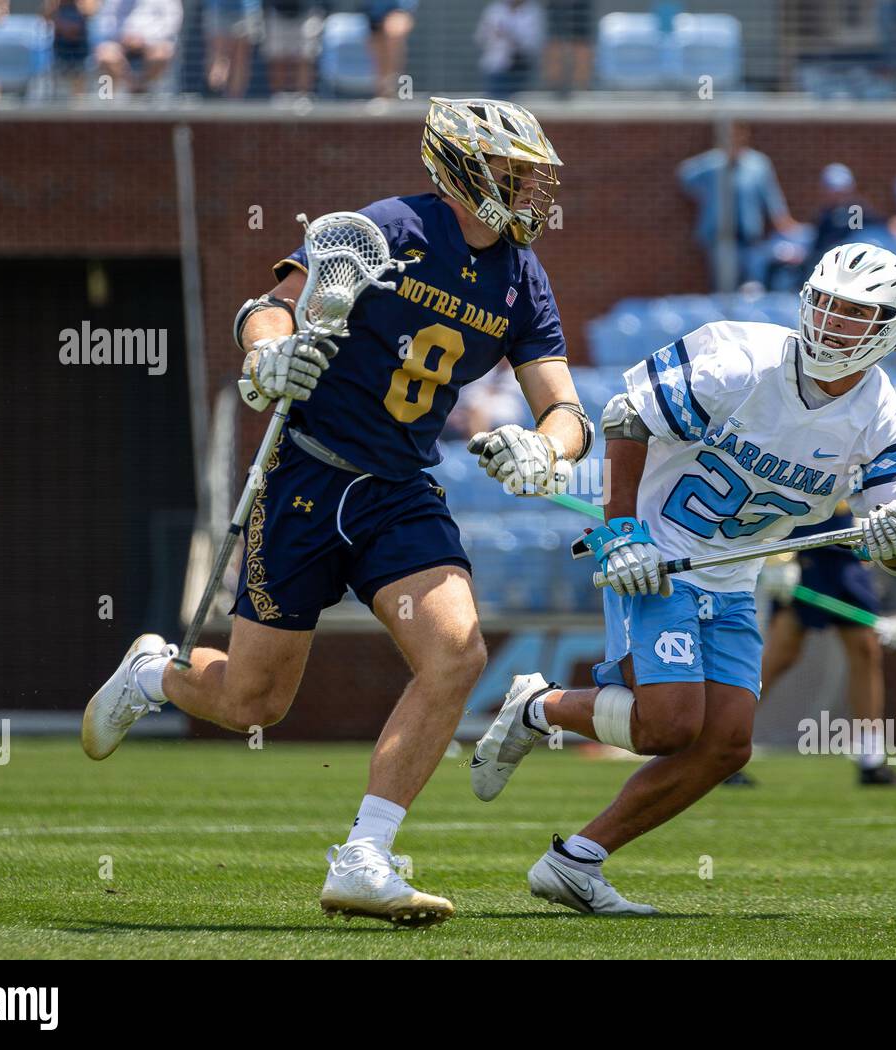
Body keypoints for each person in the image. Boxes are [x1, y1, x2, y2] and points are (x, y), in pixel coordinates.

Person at [81, 98, 594, 927]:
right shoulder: (389, 227)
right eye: (515, 174)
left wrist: (549, 448)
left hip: (398, 491)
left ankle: (365, 855)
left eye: (535, 176)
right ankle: (154, 673)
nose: (532, 191)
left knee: (457, 654)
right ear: (465, 168)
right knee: (254, 703)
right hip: (308, 478)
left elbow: (565, 405)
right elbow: (268, 306)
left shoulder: (520, 275)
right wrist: (266, 355)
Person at [470, 243, 896, 914]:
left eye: (855, 315)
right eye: (825, 306)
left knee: (726, 745)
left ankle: (577, 861)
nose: (833, 325)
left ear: (889, 327)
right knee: (669, 725)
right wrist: (621, 532)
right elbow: (627, 416)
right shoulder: (745, 362)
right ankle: (539, 708)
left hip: (734, 574)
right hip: (659, 552)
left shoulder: (879, 412)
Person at [759, 503, 896, 787]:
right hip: (801, 542)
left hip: (844, 543)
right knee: (781, 653)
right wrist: (776, 557)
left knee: (866, 649)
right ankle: (721, 741)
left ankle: (871, 759)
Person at [676, 124, 799, 291]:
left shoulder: (758, 164)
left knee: (752, 286)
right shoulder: (714, 163)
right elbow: (685, 176)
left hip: (749, 237)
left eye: (737, 135)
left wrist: (783, 221)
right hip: (720, 237)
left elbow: (771, 197)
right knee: (724, 286)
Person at [804, 164, 896, 282]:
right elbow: (817, 244)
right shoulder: (825, 214)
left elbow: (863, 230)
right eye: (831, 190)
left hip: (847, 267)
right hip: (825, 264)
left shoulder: (854, 211)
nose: (835, 195)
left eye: (840, 191)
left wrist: (892, 222)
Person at [92, 0, 183, 95]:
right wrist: (122, 37)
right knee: (106, 55)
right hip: (120, 45)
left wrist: (145, 39)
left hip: (153, 44)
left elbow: (172, 23)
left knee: (162, 54)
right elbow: (103, 22)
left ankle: (145, 88)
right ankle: (129, 87)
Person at [475, 0, 544, 98]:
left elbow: (533, 42)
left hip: (520, 67)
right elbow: (480, 37)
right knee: (495, 101)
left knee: (517, 103)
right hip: (495, 66)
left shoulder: (532, 12)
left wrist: (512, 38)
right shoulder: (494, 10)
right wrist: (494, 35)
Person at [262, 0, 323, 97]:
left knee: (306, 57)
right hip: (276, 11)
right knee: (277, 57)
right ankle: (278, 97)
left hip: (307, 11)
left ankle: (303, 98)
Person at [204, 0, 262, 99]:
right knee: (219, 58)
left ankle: (235, 104)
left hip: (249, 8)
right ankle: (214, 100)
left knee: (241, 60)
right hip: (217, 8)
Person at [365, 0, 416, 99]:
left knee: (394, 33)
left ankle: (393, 84)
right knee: (379, 52)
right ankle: (383, 92)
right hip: (374, 9)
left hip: (399, 7)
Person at [544, 0, 592, 95]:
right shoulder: (553, 6)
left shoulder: (583, 6)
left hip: (579, 38)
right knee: (554, 50)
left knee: (582, 51)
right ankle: (554, 90)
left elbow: (582, 34)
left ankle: (580, 90)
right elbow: (554, 34)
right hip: (558, 38)